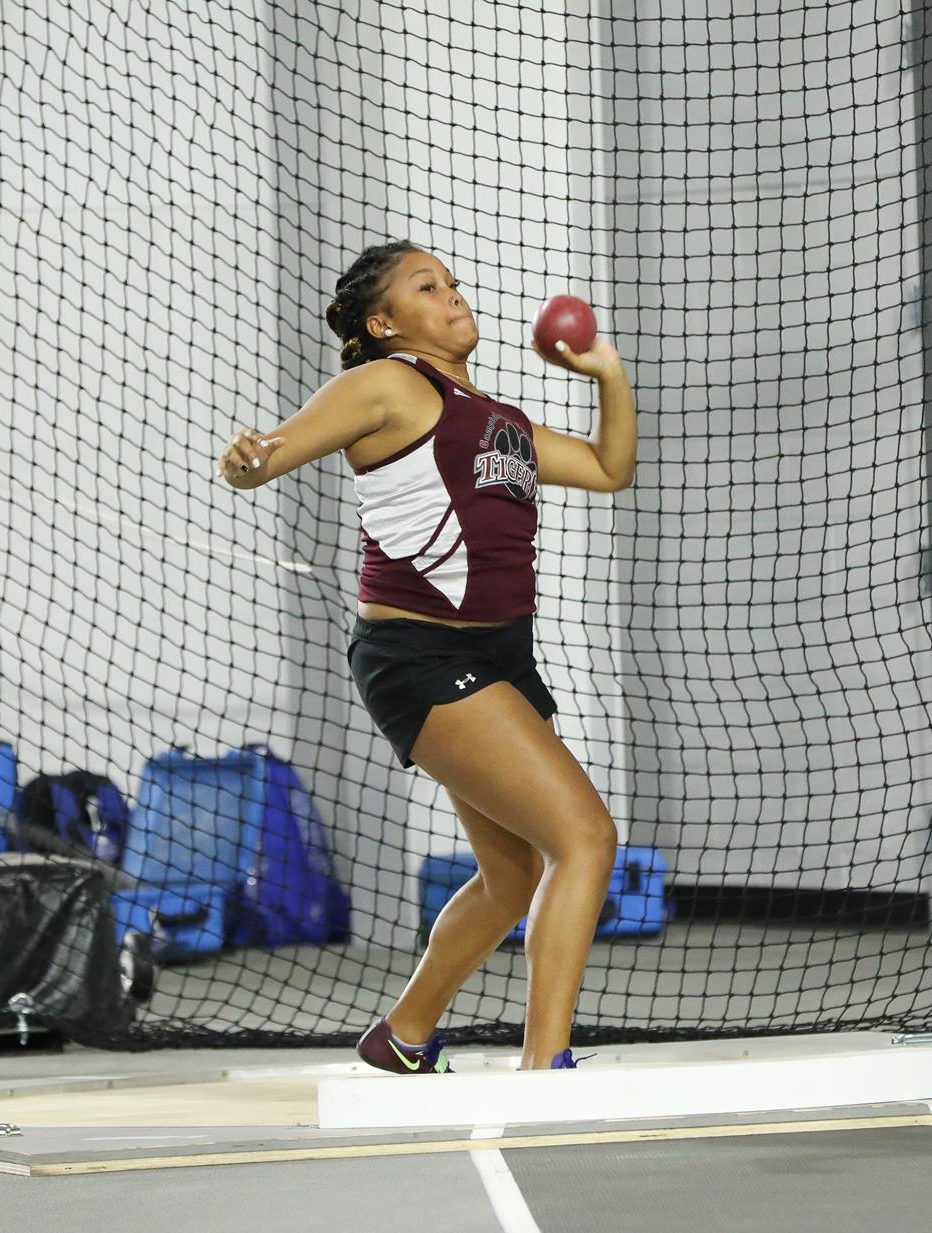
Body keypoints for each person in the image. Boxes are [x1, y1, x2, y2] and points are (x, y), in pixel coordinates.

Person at [214, 240, 637, 1071]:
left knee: (513, 875)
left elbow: (604, 466)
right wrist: (247, 459)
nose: (452, 296)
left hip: (501, 660)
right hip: (422, 655)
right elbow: (267, 458)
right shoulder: (387, 384)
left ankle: (402, 1037)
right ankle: (544, 1069)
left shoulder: (501, 422)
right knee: (585, 838)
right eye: (426, 286)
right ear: (383, 322)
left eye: (452, 283)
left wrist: (607, 375)